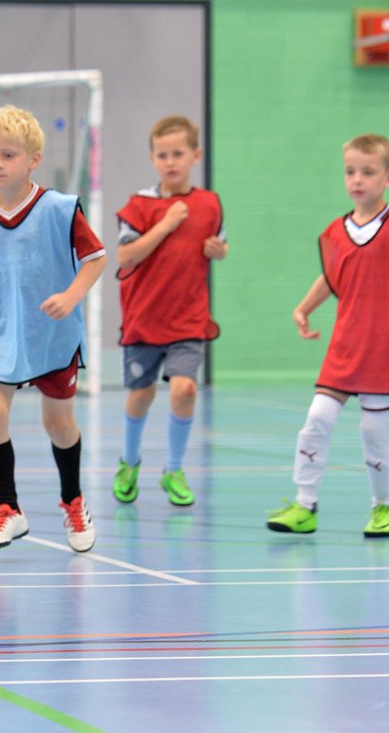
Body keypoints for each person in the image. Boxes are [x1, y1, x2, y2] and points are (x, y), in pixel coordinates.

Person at [0, 104, 106, 553]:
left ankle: (72, 499)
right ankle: (8, 508)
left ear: (33, 158)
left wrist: (71, 296)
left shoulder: (59, 209)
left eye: (8, 155)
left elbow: (96, 259)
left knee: (59, 423)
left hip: (51, 334)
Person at [267, 134, 389, 538]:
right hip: (346, 345)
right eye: (350, 171)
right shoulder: (338, 230)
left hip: (385, 348)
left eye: (368, 171)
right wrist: (303, 308)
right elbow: (332, 278)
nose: (357, 179)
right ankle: (305, 504)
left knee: (372, 429)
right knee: (316, 420)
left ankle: (385, 507)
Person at [112, 115, 227, 508]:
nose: (171, 161)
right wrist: (165, 224)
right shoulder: (139, 206)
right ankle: (129, 462)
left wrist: (219, 251)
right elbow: (126, 256)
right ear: (153, 159)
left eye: (178, 153)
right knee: (141, 396)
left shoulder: (210, 203)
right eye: (163, 155)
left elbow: (217, 243)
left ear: (195, 155)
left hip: (188, 319)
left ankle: (174, 469)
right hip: (144, 320)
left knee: (185, 389)